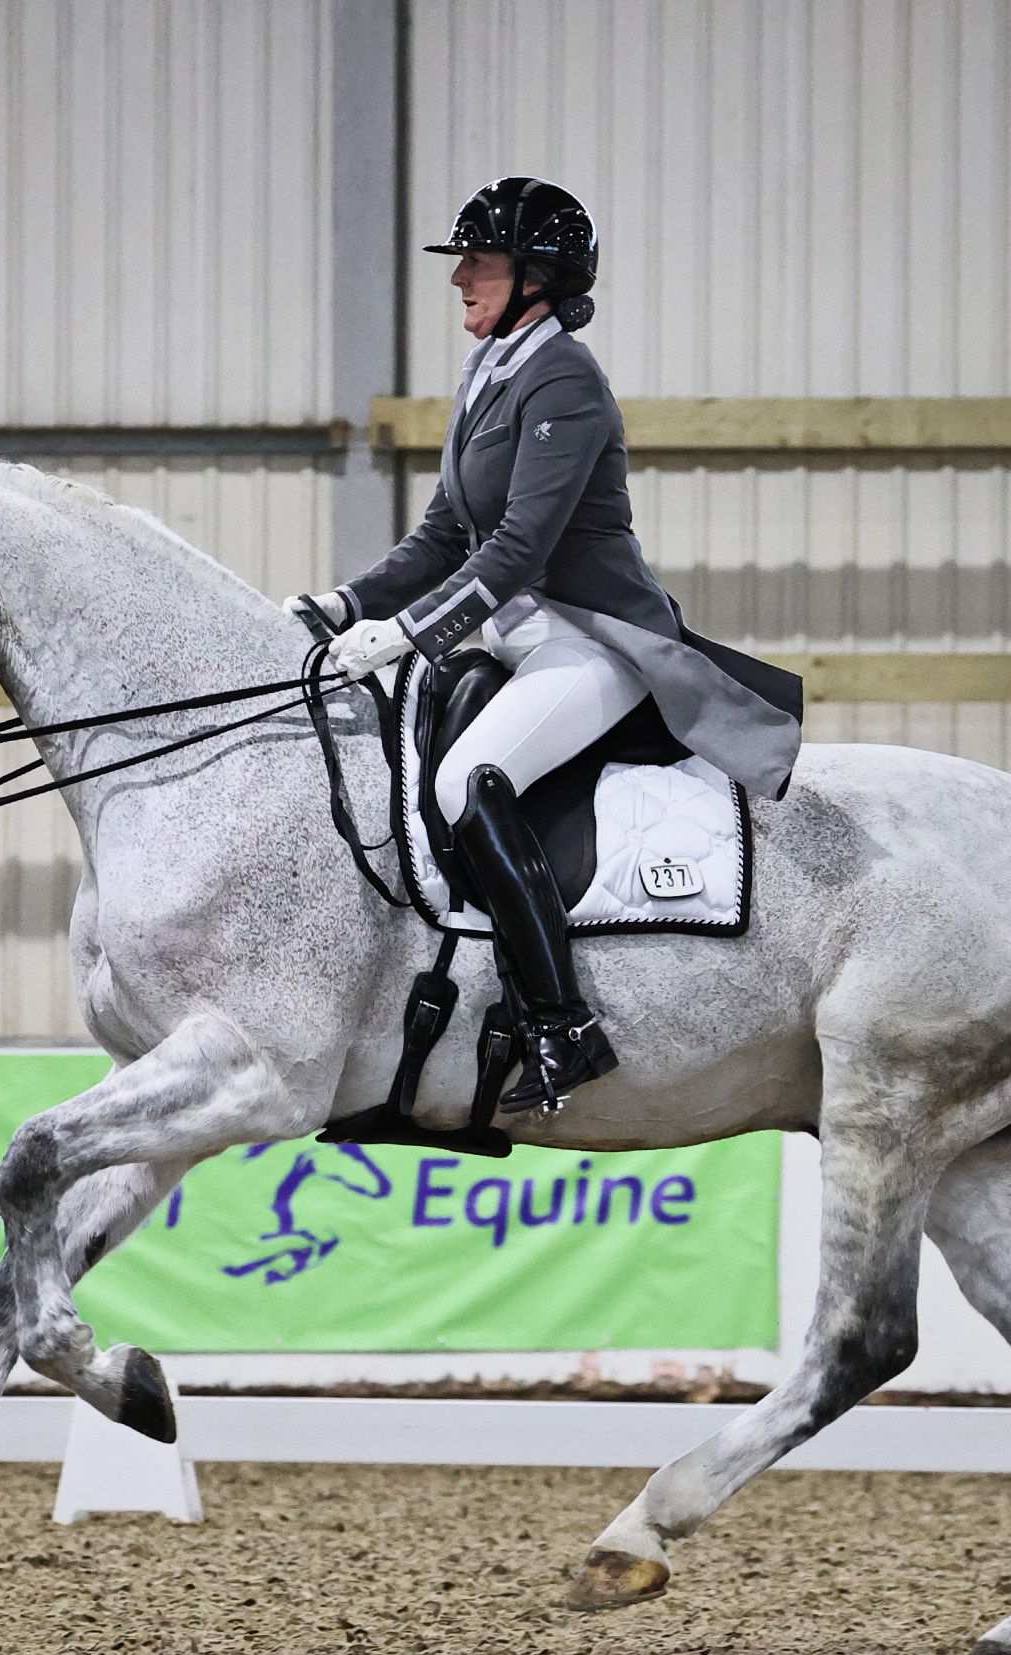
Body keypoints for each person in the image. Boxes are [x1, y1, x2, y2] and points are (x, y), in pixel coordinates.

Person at [285, 176, 803, 1113]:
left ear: (537, 275)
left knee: (464, 781)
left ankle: (564, 1026)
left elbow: (520, 548)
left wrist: (402, 633)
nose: (460, 280)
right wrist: (339, 603)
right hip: (522, 639)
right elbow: (447, 531)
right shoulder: (492, 374)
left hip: (596, 640)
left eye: (476, 262)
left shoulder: (563, 377)